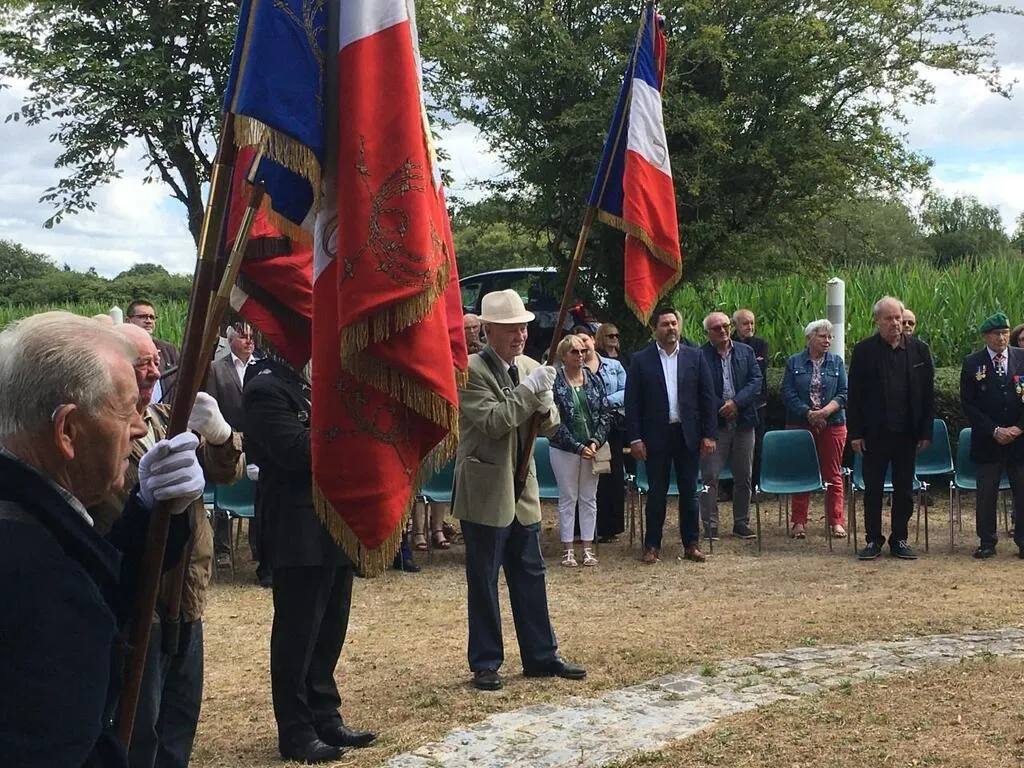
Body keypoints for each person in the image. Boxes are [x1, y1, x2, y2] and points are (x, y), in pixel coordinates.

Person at [0, 311, 202, 767]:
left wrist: (151, 511)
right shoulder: (38, 582)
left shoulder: (36, 528)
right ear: (67, 431)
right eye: (126, 408)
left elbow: (106, 587)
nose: (138, 426)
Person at [89, 323, 243, 768]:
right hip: (139, 598)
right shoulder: (103, 426)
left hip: (188, 590)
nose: (153, 370)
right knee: (139, 725)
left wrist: (219, 436)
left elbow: (227, 472)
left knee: (180, 718)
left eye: (156, 360)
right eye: (140, 364)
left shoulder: (164, 420)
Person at [242, 354, 375, 764]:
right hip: (296, 530)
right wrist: (348, 424)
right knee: (297, 634)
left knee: (331, 625)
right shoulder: (266, 388)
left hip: (334, 521)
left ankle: (324, 713)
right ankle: (296, 731)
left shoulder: (312, 385)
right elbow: (298, 452)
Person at [453, 289, 586, 691]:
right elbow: (495, 421)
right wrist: (530, 393)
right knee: (484, 578)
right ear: (488, 330)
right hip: (486, 489)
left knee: (530, 574)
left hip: (521, 489)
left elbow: (550, 423)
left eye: (524, 327)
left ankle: (541, 655)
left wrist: (546, 402)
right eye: (511, 328)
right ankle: (486, 662)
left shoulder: (530, 366)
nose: (520, 335)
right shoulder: (470, 371)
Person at [625, 307, 717, 564]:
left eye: (674, 323)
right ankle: (652, 545)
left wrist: (709, 434)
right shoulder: (641, 360)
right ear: (655, 329)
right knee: (657, 493)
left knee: (690, 492)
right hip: (655, 436)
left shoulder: (695, 357)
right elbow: (632, 403)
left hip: (687, 435)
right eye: (665, 324)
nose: (671, 328)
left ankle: (692, 544)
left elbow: (707, 398)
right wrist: (635, 438)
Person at [847, 296, 934, 561]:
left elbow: (929, 394)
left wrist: (926, 431)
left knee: (904, 489)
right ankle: (873, 539)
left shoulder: (919, 350)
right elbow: (855, 396)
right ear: (877, 321)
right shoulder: (863, 351)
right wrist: (856, 433)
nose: (896, 323)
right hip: (874, 434)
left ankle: (900, 539)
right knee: (873, 489)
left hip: (907, 434)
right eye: (889, 319)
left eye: (898, 317)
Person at [959, 312, 1024, 558]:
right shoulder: (973, 362)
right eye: (996, 334)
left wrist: (1018, 428)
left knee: (1022, 492)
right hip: (988, 439)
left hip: (1019, 440)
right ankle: (987, 541)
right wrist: (994, 430)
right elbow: (968, 404)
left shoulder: (1022, 358)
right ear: (986, 336)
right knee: (987, 494)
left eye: (1005, 332)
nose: (1002, 338)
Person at [780, 320, 848, 538]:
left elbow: (844, 393)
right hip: (801, 423)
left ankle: (836, 521)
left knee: (833, 473)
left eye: (830, 337)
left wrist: (825, 412)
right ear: (809, 338)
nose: (827, 341)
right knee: (802, 471)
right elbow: (787, 393)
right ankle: (799, 521)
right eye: (822, 336)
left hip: (833, 423)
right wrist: (808, 413)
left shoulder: (837, 363)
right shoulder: (794, 362)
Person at [549, 334, 613, 567]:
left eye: (582, 351)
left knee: (589, 498)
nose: (580, 356)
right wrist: (576, 447)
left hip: (592, 448)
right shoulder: (555, 381)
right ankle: (568, 548)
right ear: (563, 356)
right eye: (574, 352)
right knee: (568, 498)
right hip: (565, 449)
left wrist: (595, 441)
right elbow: (553, 420)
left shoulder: (594, 380)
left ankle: (587, 548)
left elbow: (605, 413)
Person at [698, 312, 762, 540]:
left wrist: (736, 402)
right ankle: (711, 526)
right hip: (715, 426)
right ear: (708, 333)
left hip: (744, 421)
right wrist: (721, 406)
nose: (723, 330)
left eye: (726, 326)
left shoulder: (746, 352)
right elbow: (698, 389)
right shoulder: (700, 356)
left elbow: (756, 380)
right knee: (710, 476)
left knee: (744, 476)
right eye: (716, 328)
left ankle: (741, 523)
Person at [202, 321, 257, 570]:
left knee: (258, 490)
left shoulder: (262, 367)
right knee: (227, 485)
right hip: (230, 439)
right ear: (231, 340)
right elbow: (212, 406)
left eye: (251, 337)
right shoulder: (216, 369)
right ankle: (223, 549)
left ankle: (258, 546)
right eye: (243, 337)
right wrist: (226, 436)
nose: (249, 341)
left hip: (258, 440)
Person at [593, 324, 629, 542]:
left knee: (613, 476)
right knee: (595, 477)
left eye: (617, 334)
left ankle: (611, 527)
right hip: (592, 426)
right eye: (609, 335)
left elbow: (628, 389)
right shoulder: (592, 361)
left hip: (615, 425)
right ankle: (591, 527)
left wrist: (606, 401)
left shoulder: (621, 362)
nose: (614, 338)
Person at [732, 309, 769, 491]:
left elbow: (757, 373)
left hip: (756, 404)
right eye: (746, 323)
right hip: (732, 404)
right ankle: (728, 487)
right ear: (736, 325)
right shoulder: (727, 343)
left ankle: (755, 485)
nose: (750, 327)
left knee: (757, 447)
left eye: (752, 323)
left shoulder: (760, 344)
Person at [127, 300, 180, 405]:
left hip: (164, 414)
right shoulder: (121, 349)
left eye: (152, 317)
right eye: (142, 316)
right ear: (128, 320)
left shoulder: (169, 350)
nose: (148, 321)